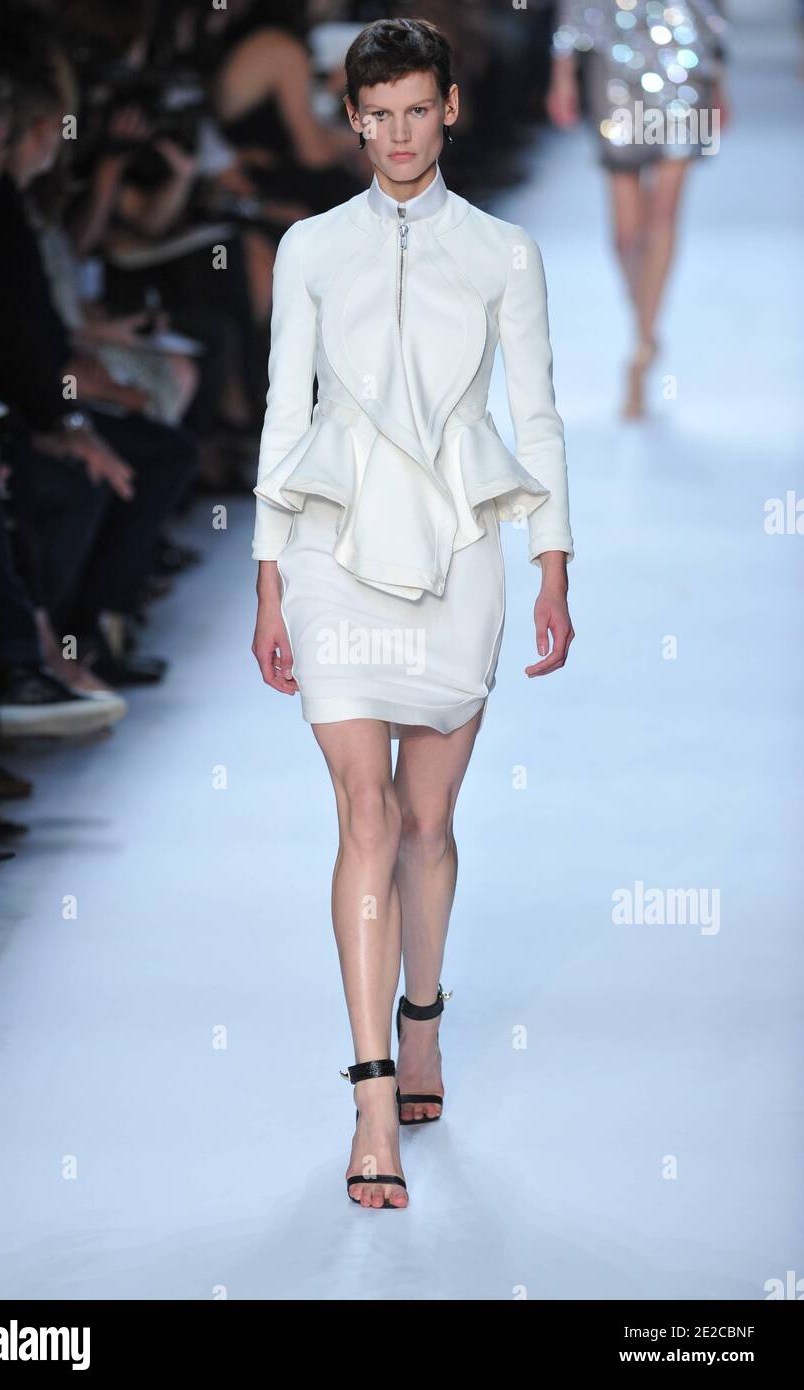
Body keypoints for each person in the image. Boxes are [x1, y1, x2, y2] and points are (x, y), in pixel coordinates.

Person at [251, 19, 575, 1210]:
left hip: (457, 550)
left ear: (450, 109)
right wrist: (267, 573)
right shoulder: (309, 248)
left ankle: (422, 1014)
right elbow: (284, 412)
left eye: (415, 111)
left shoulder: (503, 254)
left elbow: (536, 417)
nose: (397, 135)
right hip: (332, 545)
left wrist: (552, 562)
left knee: (428, 822)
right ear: (351, 119)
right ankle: (373, 1099)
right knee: (366, 813)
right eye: (375, 114)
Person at [546, 0, 730, 418]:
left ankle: (643, 346)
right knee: (625, 237)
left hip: (685, 62)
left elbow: (712, 8)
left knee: (664, 215)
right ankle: (646, 325)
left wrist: (719, 79)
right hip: (613, 65)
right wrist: (562, 72)